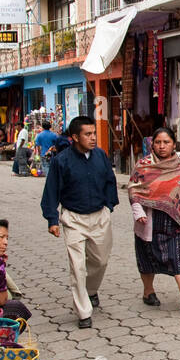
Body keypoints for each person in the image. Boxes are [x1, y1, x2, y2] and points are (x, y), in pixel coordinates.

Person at [42, 116, 118, 329]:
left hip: (100, 215)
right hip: (73, 218)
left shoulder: (101, 156)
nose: (93, 138)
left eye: (94, 133)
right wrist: (52, 219)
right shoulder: (61, 161)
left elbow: (110, 181)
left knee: (100, 261)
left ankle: (91, 290)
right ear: (75, 137)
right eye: (87, 134)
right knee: (77, 266)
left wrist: (109, 205)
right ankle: (84, 312)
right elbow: (51, 191)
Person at [129, 126, 180, 314]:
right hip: (149, 220)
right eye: (158, 142)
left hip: (177, 221)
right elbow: (134, 191)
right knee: (147, 256)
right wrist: (138, 212)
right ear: (152, 144)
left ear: (173, 144)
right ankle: (148, 292)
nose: (162, 146)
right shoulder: (143, 165)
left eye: (166, 142)